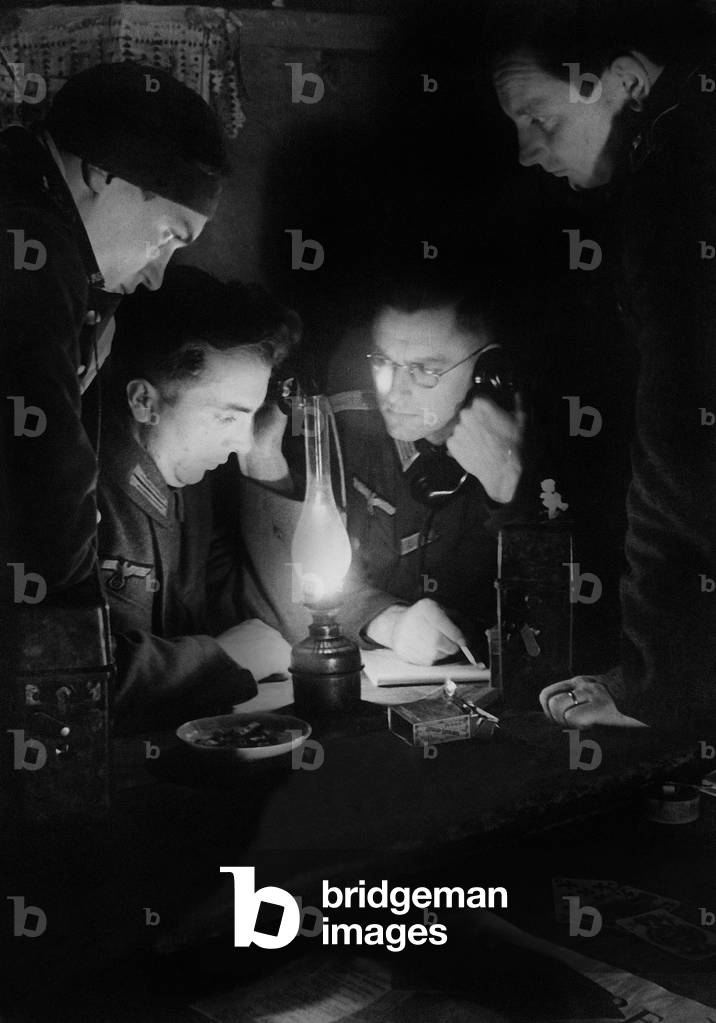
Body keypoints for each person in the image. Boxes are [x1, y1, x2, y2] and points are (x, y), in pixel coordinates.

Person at [491, 0, 716, 729]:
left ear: (622, 81)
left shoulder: (675, 177)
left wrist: (650, 680)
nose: (528, 151)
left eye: (540, 119)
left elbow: (681, 438)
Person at [1, 61, 228, 607]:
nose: (155, 276)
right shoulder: (34, 243)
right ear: (105, 174)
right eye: (168, 238)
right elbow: (46, 510)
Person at [98, 266, 295, 733]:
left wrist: (265, 460)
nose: (242, 442)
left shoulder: (195, 487)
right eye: (228, 417)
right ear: (145, 402)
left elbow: (275, 622)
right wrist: (221, 659)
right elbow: (70, 683)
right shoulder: (77, 490)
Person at [325, 272, 527, 666]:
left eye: (425, 370)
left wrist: (510, 494)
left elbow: (564, 627)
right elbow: (299, 576)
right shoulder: (346, 433)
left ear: (489, 371)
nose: (393, 393)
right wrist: (387, 621)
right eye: (384, 362)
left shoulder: (543, 456)